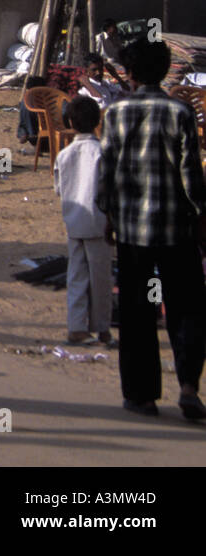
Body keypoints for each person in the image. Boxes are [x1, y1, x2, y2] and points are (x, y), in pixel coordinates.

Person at [96, 36, 206, 420]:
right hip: (177, 231)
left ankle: (142, 396)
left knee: (138, 314)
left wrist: (107, 215)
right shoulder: (180, 113)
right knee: (187, 308)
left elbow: (106, 172)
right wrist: (201, 216)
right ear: (162, 72)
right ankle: (189, 387)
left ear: (129, 73)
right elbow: (191, 174)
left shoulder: (114, 113)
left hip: (132, 233)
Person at [53, 95, 112, 346]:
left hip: (73, 222)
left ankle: (76, 326)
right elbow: (108, 189)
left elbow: (59, 188)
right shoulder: (101, 153)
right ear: (98, 121)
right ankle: (101, 327)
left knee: (76, 275)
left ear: (69, 122)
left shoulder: (64, 155)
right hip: (98, 223)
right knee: (100, 279)